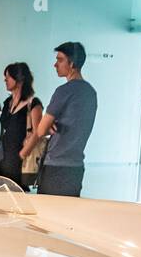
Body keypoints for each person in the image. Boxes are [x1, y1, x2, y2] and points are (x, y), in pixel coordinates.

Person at [32, 41, 96, 197]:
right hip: (75, 167)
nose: (55, 65)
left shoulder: (64, 91)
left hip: (56, 165)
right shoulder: (90, 92)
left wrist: (48, 125)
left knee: (47, 209)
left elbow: (40, 130)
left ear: (72, 64)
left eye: (60, 60)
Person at [0, 62, 42, 188]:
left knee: (15, 193)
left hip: (17, 162)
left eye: (8, 76)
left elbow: (37, 133)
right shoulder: (7, 103)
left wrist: (22, 154)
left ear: (19, 79)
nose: (5, 80)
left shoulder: (33, 103)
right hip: (0, 157)